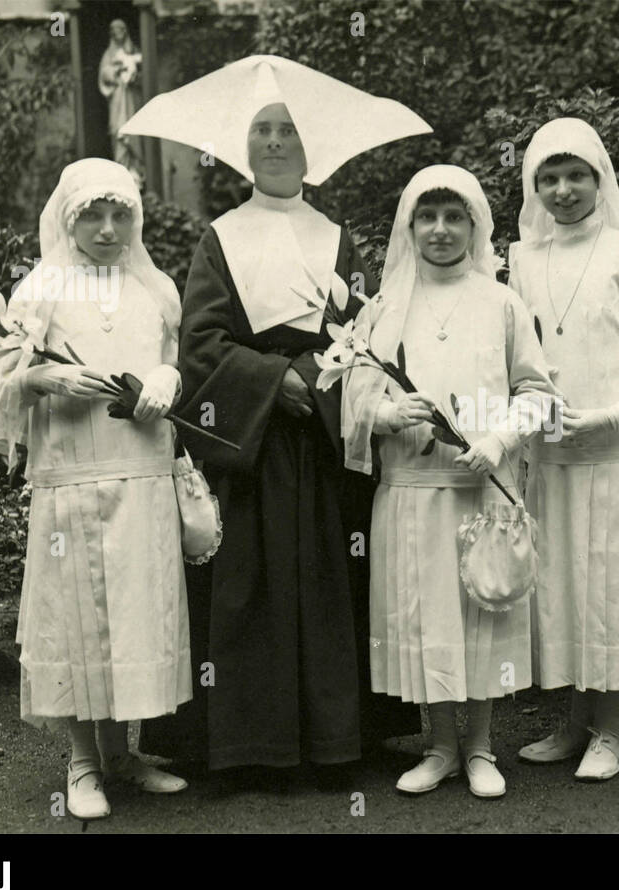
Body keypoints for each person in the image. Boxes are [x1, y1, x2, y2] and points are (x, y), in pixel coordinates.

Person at [148, 99, 415, 778]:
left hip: (320, 443)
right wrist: (274, 382)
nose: (273, 142)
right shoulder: (221, 237)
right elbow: (200, 344)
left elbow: (361, 339)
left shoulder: (336, 236)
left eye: (287, 130)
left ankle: (332, 743)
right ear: (245, 147)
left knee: (329, 581)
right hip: (252, 444)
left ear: (307, 146)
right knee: (247, 588)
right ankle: (248, 745)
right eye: (262, 131)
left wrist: (315, 381)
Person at [0, 158, 190, 820]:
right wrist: (42, 381)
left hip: (140, 471)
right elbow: (1, 390)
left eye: (119, 214)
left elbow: (172, 358)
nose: (106, 228)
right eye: (92, 216)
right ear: (69, 221)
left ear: (135, 219)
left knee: (131, 615)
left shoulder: (155, 290)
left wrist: (167, 380)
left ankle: (123, 754)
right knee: (76, 618)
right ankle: (82, 761)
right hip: (71, 477)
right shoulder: (42, 292)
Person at [342, 165, 556, 798]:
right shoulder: (383, 310)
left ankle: (483, 746)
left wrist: (497, 438)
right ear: (410, 228)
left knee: (481, 609)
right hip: (410, 489)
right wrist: (383, 413)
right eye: (427, 218)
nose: (440, 230)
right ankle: (437, 745)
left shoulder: (502, 302)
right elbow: (355, 395)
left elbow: (538, 393)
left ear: (475, 226)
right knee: (423, 613)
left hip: (480, 489)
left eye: (454, 217)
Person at [508, 118, 619, 781]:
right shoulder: (519, 261)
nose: (563, 188)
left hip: (614, 450)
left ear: (599, 180)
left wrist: (610, 416)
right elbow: (512, 355)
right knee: (559, 586)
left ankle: (610, 728)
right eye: (549, 177)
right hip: (549, 453)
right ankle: (572, 721)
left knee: (606, 587)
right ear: (533, 186)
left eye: (576, 175)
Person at [97, 19, 144, 181]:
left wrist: (133, 76)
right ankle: (122, 168)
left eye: (120, 30)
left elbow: (143, 75)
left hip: (132, 99)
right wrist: (117, 71)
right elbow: (103, 75)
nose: (117, 33)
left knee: (134, 133)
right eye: (114, 30)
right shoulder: (108, 54)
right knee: (119, 131)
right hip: (117, 101)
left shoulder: (134, 52)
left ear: (125, 31)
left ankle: (136, 171)